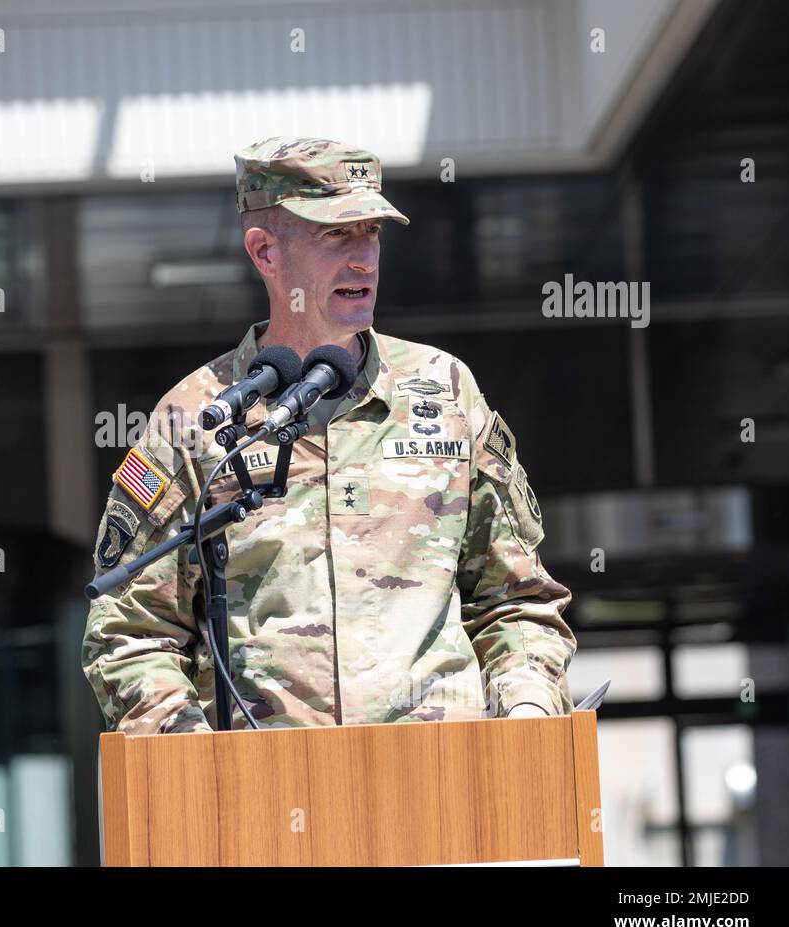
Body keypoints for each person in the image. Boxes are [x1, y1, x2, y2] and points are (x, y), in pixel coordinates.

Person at [82, 136, 576, 733]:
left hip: (443, 787)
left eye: (372, 232)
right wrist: (197, 764)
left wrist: (527, 709)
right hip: (263, 795)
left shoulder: (445, 389)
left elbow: (516, 602)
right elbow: (131, 631)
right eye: (335, 234)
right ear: (266, 252)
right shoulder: (196, 417)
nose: (364, 258)